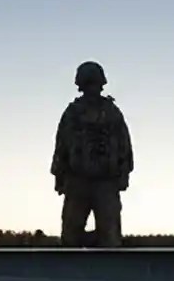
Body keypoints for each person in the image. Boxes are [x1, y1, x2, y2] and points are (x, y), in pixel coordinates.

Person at [52, 61, 133, 248]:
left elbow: (124, 145)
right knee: (71, 234)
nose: (91, 89)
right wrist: (60, 176)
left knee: (110, 235)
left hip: (106, 181)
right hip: (77, 179)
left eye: (94, 84)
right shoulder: (72, 113)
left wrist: (124, 173)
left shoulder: (112, 113)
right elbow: (62, 144)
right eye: (88, 84)